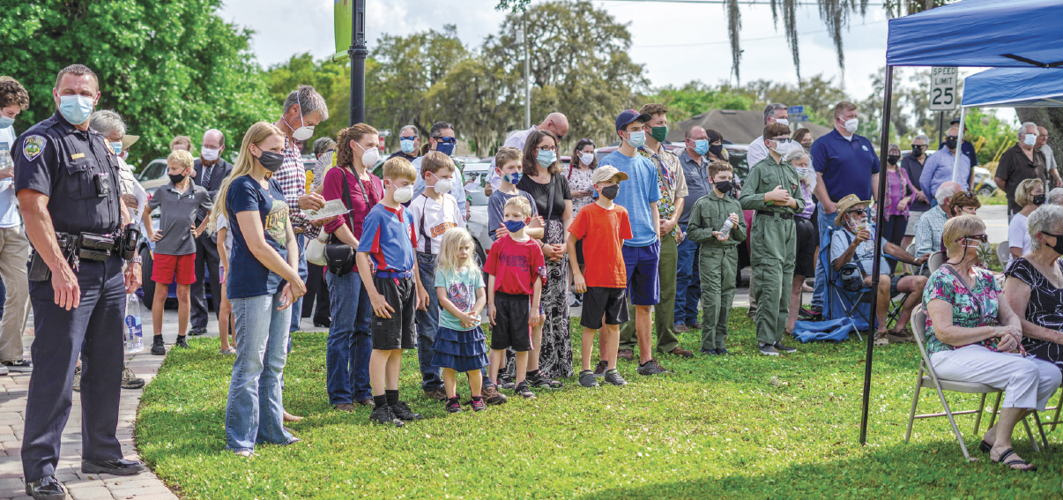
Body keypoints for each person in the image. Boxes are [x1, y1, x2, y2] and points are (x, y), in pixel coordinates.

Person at [16, 64, 146, 499]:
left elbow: (119, 205)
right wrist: (57, 266)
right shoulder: (40, 141)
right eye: (69, 91)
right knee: (56, 369)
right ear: (55, 94)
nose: (77, 97)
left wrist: (132, 258)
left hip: (109, 270)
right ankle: (39, 468)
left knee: (107, 367)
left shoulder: (99, 143)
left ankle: (102, 451)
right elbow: (33, 209)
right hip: (66, 271)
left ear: (97, 94)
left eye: (85, 91)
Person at [924, 214, 1060, 471]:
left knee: (1050, 373)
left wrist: (1013, 332)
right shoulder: (941, 280)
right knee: (1025, 370)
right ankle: (1001, 448)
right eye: (983, 238)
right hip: (950, 353)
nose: (988, 243)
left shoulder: (986, 277)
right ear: (963, 242)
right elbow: (944, 332)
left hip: (985, 351)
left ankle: (994, 434)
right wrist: (993, 331)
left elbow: (1010, 315)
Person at [219, 121, 304, 456]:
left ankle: (273, 431)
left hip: (280, 282)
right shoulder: (242, 187)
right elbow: (256, 244)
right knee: (251, 363)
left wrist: (290, 274)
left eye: (283, 150)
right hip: (252, 284)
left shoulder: (274, 188)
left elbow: (289, 239)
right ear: (254, 149)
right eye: (274, 149)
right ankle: (240, 440)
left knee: (275, 362)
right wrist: (292, 277)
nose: (279, 156)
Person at [355, 156, 430, 427]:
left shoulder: (406, 213)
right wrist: (374, 295)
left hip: (407, 284)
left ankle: (393, 398)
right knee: (383, 346)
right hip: (386, 284)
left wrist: (419, 287)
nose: (408, 188)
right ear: (387, 183)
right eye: (403, 183)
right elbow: (362, 255)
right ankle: (380, 406)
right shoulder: (377, 214)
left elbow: (412, 252)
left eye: (411, 183)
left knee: (398, 346)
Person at [598, 110, 669, 374]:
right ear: (622, 133)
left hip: (648, 244)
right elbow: (601, 206)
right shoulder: (607, 165)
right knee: (612, 305)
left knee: (645, 305)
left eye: (642, 127)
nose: (641, 132)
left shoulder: (649, 165)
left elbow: (653, 205)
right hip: (619, 246)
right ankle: (606, 361)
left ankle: (646, 361)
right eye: (635, 128)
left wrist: (656, 239)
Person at [320, 125, 384, 410]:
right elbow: (332, 219)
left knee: (365, 329)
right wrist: (361, 247)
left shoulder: (376, 180)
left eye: (378, 145)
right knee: (342, 330)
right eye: (369, 144)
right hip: (347, 263)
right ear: (353, 146)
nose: (375, 149)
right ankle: (340, 395)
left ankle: (362, 390)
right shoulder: (337, 175)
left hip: (373, 264)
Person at [623, 103, 691, 359]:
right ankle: (627, 344)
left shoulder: (672, 158)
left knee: (668, 288)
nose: (664, 127)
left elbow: (680, 194)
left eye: (665, 123)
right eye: (659, 124)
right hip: (639, 232)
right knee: (635, 289)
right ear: (646, 127)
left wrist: (673, 220)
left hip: (668, 231)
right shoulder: (633, 155)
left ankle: (667, 341)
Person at [87, 110, 147, 390]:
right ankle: (78, 370)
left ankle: (117, 367)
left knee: (117, 317)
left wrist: (135, 258)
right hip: (89, 253)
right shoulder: (84, 162)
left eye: (121, 140)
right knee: (83, 317)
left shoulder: (123, 166)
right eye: (115, 140)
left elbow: (134, 211)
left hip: (121, 251)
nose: (119, 145)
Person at [810, 102, 880, 315]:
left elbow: (875, 173)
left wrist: (878, 202)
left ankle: (855, 302)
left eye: (856, 115)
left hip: (862, 213)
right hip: (835, 212)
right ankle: (820, 303)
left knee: (862, 253)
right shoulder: (824, 144)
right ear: (839, 118)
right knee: (829, 257)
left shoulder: (864, 142)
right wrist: (826, 202)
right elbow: (815, 176)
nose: (855, 119)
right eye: (851, 115)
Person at [740, 122, 803, 356]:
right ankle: (764, 340)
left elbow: (801, 202)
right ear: (769, 143)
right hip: (767, 226)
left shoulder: (789, 170)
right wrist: (768, 196)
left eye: (788, 138)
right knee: (770, 284)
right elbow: (744, 200)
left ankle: (776, 337)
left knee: (785, 283)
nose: (786, 142)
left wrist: (792, 202)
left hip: (788, 227)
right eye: (782, 139)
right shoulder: (759, 169)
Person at [272, 86, 329, 340]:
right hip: (275, 242)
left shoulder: (295, 146)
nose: (312, 130)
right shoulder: (270, 141)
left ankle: (278, 372)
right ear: (294, 110)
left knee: (290, 327)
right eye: (311, 123)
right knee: (277, 322)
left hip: (297, 240)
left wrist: (316, 213)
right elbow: (263, 195)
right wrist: (300, 202)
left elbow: (294, 200)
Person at [515, 129, 572, 385]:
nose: (550, 151)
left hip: (560, 254)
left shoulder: (560, 178)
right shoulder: (522, 182)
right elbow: (517, 219)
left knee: (557, 308)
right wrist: (542, 245)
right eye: (543, 147)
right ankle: (530, 367)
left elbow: (567, 215)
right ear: (532, 150)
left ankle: (557, 365)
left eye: (553, 147)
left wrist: (566, 244)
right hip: (533, 252)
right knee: (535, 310)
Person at [831, 195, 927, 345]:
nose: (864, 215)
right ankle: (882, 331)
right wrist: (854, 244)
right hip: (858, 281)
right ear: (846, 216)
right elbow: (838, 266)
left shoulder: (871, 231)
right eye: (859, 212)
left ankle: (899, 329)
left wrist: (916, 260)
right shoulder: (840, 236)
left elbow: (892, 249)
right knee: (883, 279)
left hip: (884, 278)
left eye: (865, 211)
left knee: (922, 281)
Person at [143, 149, 213, 354]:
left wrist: (199, 230)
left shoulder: (199, 192)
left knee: (184, 293)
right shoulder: (162, 192)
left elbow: (211, 211)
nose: (169, 172)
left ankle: (182, 338)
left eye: (174, 168)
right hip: (164, 249)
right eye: (169, 168)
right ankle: (157, 339)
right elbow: (147, 211)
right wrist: (150, 233)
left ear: (187, 170)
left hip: (187, 250)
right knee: (160, 293)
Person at [409, 151, 466, 401]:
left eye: (451, 176)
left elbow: (461, 234)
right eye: (444, 176)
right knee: (430, 324)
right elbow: (412, 246)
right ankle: (432, 380)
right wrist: (418, 284)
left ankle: (455, 373)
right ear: (428, 176)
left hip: (452, 263)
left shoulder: (451, 201)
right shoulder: (416, 205)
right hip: (427, 262)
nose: (448, 181)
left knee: (455, 319)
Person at [569, 166, 632, 388]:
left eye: (617, 181)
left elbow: (620, 242)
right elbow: (571, 241)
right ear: (597, 187)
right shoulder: (587, 212)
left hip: (617, 279)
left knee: (614, 325)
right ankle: (586, 371)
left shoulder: (622, 212)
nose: (615, 186)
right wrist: (578, 273)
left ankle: (611, 370)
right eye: (609, 182)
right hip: (594, 280)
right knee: (591, 326)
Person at [485, 196, 545, 399]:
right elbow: (491, 274)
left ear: (526, 219)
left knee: (522, 344)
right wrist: (491, 303)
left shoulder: (533, 247)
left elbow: (537, 279)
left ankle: (521, 382)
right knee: (497, 343)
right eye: (507, 215)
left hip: (522, 301)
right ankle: (491, 383)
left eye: (516, 216)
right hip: (501, 300)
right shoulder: (498, 245)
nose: (510, 219)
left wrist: (535, 307)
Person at [687, 160, 746, 355]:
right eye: (722, 178)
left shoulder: (735, 204)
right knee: (712, 300)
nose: (726, 181)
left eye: (729, 178)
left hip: (730, 256)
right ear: (711, 179)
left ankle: (721, 344)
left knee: (727, 298)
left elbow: (743, 235)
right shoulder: (702, 203)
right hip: (710, 255)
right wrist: (711, 233)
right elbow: (692, 232)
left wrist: (736, 226)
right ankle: (708, 345)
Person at [431, 228, 490, 413]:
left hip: (471, 327)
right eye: (459, 248)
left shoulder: (474, 271)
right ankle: (452, 399)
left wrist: (472, 315)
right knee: (449, 367)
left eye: (466, 248)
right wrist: (461, 316)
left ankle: (477, 397)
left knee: (475, 367)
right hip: (449, 328)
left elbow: (482, 297)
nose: (463, 252)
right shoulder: (443, 272)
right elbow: (443, 299)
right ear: (449, 250)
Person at [674, 127, 723, 333]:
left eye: (706, 139)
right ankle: (677, 319)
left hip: (705, 229)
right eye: (701, 139)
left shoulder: (709, 165)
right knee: (682, 274)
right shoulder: (678, 163)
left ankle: (691, 316)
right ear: (688, 141)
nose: (705, 142)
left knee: (697, 274)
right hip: (685, 227)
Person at [1004, 204, 1063, 371]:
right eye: (1062, 230)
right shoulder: (1022, 269)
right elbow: (1015, 321)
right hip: (1037, 345)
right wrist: (1058, 337)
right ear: (1041, 236)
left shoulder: (1060, 264)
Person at [189, 129, 233, 336]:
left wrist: (197, 194)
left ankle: (225, 321)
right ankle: (198, 322)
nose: (207, 150)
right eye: (205, 145)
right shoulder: (192, 166)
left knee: (219, 278)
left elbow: (223, 195)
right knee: (194, 278)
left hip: (217, 231)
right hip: (192, 230)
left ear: (221, 149)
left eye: (212, 147)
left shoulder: (229, 170)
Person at [0, 76, 30, 376]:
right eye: (9, 113)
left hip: (11, 220)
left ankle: (10, 353)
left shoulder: (9, 133)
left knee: (22, 287)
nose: (12, 119)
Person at [486, 113, 570, 189]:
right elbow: (501, 173)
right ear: (549, 124)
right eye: (558, 136)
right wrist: (504, 199)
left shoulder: (552, 148)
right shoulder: (519, 139)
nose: (558, 141)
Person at [784, 149, 816, 338]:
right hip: (791, 229)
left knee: (798, 283)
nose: (803, 168)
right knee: (786, 281)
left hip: (807, 231)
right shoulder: (785, 184)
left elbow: (809, 208)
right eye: (799, 165)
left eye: (805, 165)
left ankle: (792, 326)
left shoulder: (807, 185)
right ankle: (781, 322)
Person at [304, 137, 334, 327]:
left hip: (334, 225)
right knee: (314, 272)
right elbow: (311, 197)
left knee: (327, 274)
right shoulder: (310, 174)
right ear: (321, 155)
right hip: (316, 229)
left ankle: (324, 314)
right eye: (331, 152)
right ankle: (306, 313)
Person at [412, 122, 467, 217]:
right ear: (433, 141)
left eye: (453, 140)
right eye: (446, 139)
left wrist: (462, 224)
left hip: (449, 222)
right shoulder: (417, 165)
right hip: (424, 221)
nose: (450, 143)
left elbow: (460, 202)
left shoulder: (455, 170)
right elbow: (412, 190)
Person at [996, 122, 1049, 218]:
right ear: (1021, 135)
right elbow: (999, 180)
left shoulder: (1040, 154)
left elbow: (1044, 176)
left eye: (1034, 134)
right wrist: (1015, 192)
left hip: (1039, 205)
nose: (1032, 136)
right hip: (1018, 205)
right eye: (1029, 134)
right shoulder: (1010, 154)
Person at [883, 143, 918, 272]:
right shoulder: (881, 171)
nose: (893, 155)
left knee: (896, 244)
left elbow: (912, 192)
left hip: (901, 214)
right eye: (891, 152)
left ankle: (891, 273)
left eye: (896, 153)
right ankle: (883, 272)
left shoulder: (902, 172)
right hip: (885, 214)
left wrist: (905, 200)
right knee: (885, 245)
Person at [912, 181, 962, 259]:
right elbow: (923, 254)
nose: (964, 200)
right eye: (961, 197)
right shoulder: (926, 220)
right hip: (934, 267)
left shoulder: (963, 217)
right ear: (947, 200)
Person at [920, 124, 972, 198]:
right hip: (940, 201)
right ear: (945, 139)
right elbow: (924, 181)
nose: (951, 140)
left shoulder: (966, 160)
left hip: (961, 201)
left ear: (962, 140)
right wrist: (932, 198)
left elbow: (965, 181)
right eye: (948, 138)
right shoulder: (935, 157)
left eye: (954, 138)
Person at [901, 135, 932, 250]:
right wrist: (919, 194)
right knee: (907, 237)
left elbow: (935, 179)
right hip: (913, 205)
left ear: (926, 147)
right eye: (913, 146)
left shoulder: (931, 160)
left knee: (927, 238)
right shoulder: (906, 160)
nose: (915, 148)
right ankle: (904, 266)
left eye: (918, 146)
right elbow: (905, 179)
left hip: (929, 205)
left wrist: (927, 195)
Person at [212, 209, 235, 354]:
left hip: (239, 265)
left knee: (236, 308)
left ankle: (236, 343)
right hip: (227, 266)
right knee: (225, 307)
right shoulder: (224, 216)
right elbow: (220, 244)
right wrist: (226, 268)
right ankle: (224, 346)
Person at [1007, 179, 1045, 264]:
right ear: (1026, 195)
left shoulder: (1042, 218)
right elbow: (1016, 254)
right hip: (1023, 268)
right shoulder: (1018, 221)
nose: (1042, 194)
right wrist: (1037, 265)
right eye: (1038, 191)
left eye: (1042, 191)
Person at [746, 103, 789, 168]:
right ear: (769, 120)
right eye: (781, 118)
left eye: (786, 118)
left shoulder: (794, 144)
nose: (785, 121)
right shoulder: (757, 147)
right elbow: (762, 174)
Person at [567, 138, 597, 217]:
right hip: (572, 216)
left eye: (591, 152)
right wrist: (573, 194)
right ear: (578, 152)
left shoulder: (596, 172)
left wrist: (595, 194)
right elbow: (558, 194)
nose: (589, 155)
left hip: (591, 216)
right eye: (587, 152)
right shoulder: (567, 171)